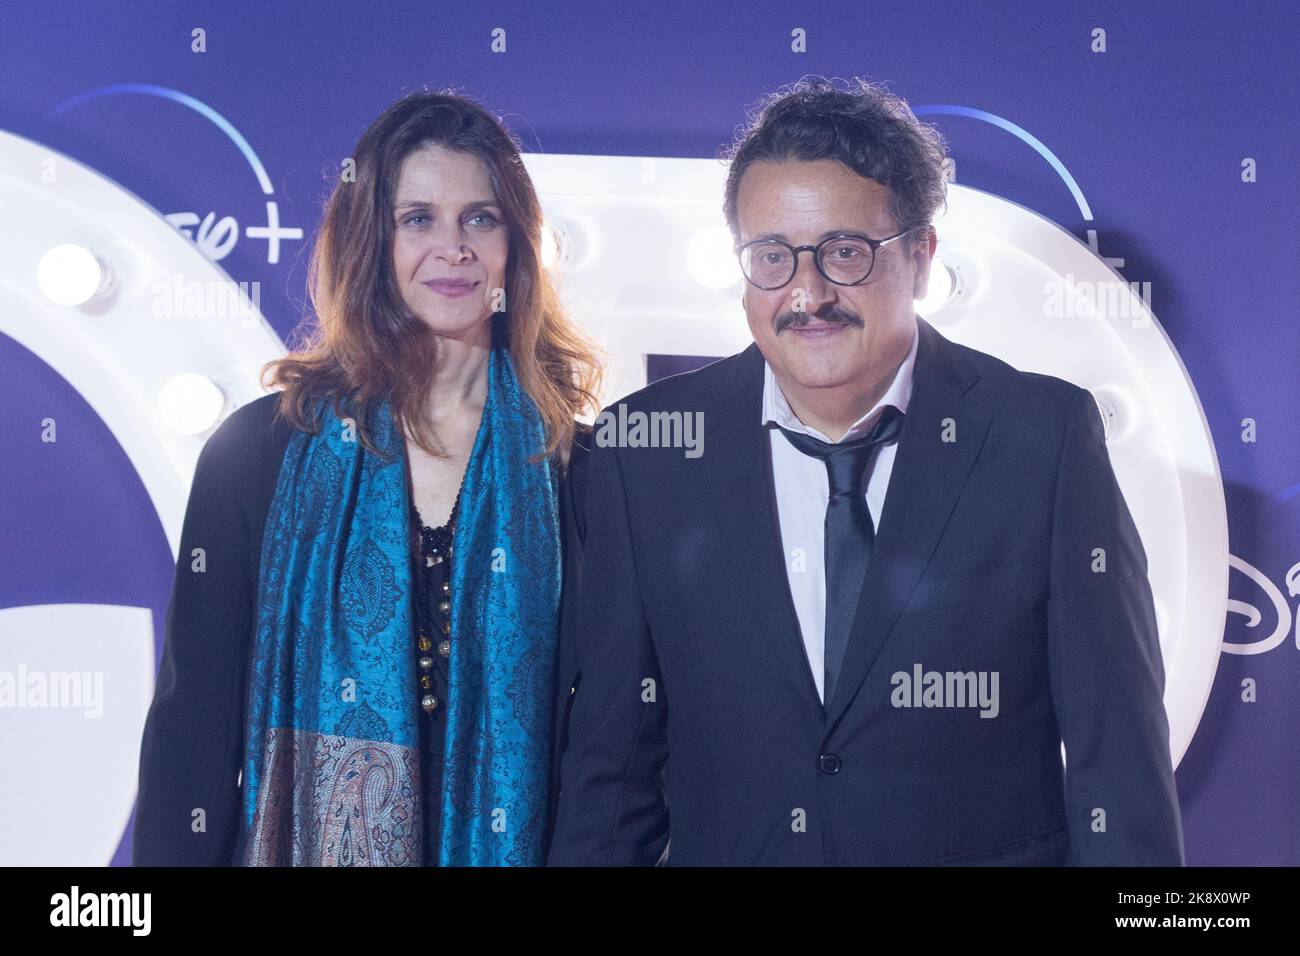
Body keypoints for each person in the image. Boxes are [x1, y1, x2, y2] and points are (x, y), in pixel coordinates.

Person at [548, 77, 1185, 866]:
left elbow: (1116, 765)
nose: (806, 294)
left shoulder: (1042, 439)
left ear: (920, 257)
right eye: (772, 257)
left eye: (845, 253)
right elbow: (612, 776)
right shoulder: (640, 453)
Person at [133, 89, 600, 866]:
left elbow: (607, 754)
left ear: (517, 246)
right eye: (417, 219)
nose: (453, 249)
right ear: (369, 242)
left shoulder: (578, 473)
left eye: (479, 219)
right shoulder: (259, 453)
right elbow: (193, 734)